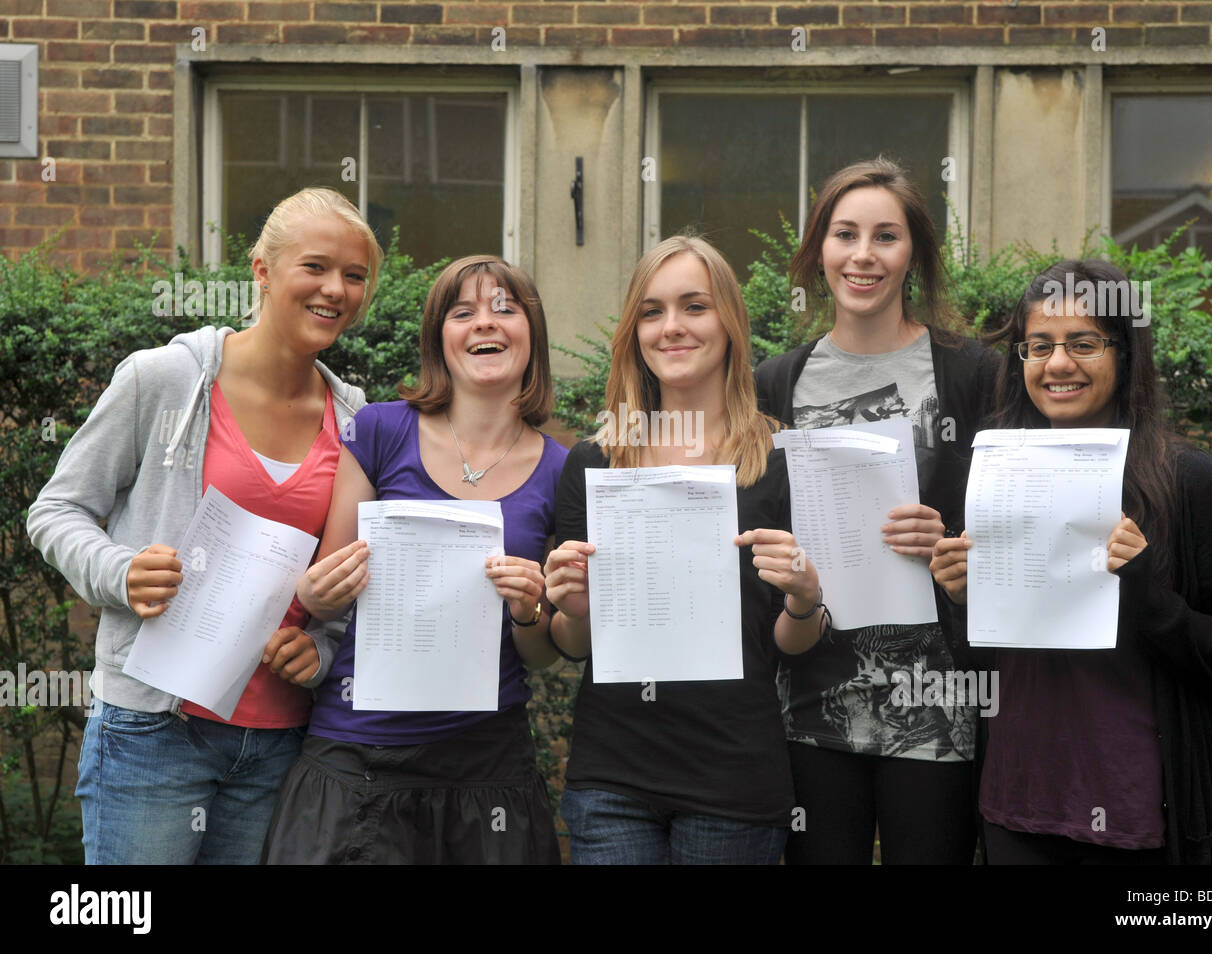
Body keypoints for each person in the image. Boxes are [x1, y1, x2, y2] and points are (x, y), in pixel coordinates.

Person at [27, 187, 382, 864]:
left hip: (279, 743)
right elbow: (56, 509)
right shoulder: (165, 380)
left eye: (355, 275)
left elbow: (345, 583)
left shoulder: (358, 421)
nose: (335, 289)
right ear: (262, 270)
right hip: (154, 733)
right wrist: (120, 572)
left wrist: (323, 654)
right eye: (315, 266)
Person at [930, 259, 1212, 864]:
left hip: (1142, 816)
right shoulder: (996, 478)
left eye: (1083, 343)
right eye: (1039, 346)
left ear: (1125, 353)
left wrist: (1150, 597)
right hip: (1019, 804)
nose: (1058, 364)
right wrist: (960, 602)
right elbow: (982, 666)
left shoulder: (1193, 485)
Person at [262, 255, 564, 865]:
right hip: (358, 760)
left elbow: (544, 655)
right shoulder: (379, 431)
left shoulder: (562, 469)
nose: (486, 323)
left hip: (487, 769)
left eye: (506, 309)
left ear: (532, 334)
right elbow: (323, 594)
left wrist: (530, 610)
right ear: (439, 339)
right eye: (463, 312)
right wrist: (318, 593)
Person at [544, 234, 826, 865]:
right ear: (633, 331)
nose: (671, 327)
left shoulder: (782, 460)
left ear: (729, 320)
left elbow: (791, 643)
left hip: (734, 778)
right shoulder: (595, 461)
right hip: (610, 776)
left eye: (694, 306)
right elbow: (571, 645)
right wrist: (571, 605)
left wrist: (805, 598)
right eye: (652, 311)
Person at [753, 158, 996, 864]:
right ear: (818, 251)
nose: (863, 255)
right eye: (844, 234)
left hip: (940, 700)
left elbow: (1011, 519)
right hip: (812, 700)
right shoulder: (777, 381)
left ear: (913, 252)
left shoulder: (969, 371)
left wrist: (952, 540)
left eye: (885, 236)